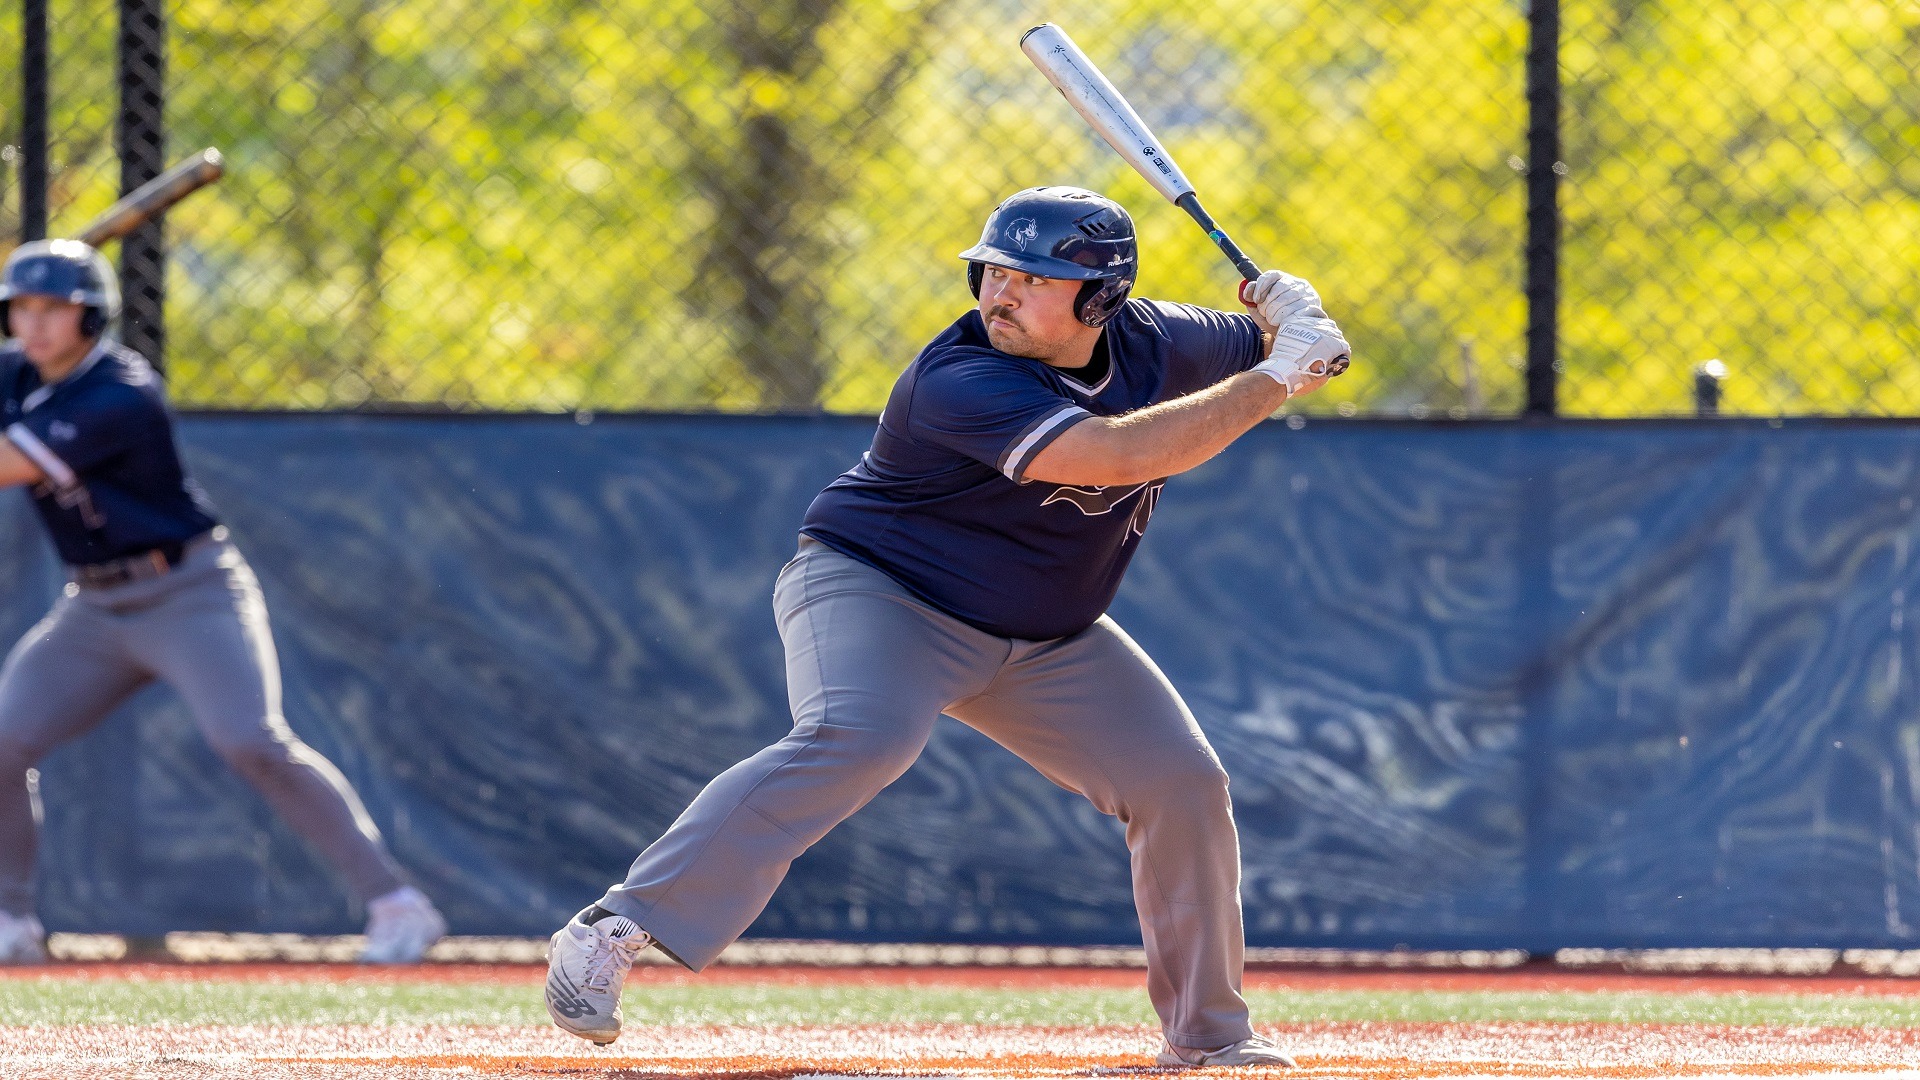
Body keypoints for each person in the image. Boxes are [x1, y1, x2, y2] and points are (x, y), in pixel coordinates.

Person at [543, 187, 1349, 1065]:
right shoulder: (960, 376)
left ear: (1101, 299)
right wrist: (1281, 374)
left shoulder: (1163, 340)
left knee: (1182, 782)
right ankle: (616, 926)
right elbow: (1119, 457)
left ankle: (1210, 1039)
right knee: (861, 735)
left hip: (1048, 636)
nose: (998, 294)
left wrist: (1292, 313)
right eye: (992, 272)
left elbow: (1288, 340)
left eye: (1032, 279)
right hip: (882, 591)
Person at [0, 239, 446, 964]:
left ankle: (398, 904)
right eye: (23, 306)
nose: (38, 323)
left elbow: (10, 464)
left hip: (188, 592)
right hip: (94, 606)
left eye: (57, 307)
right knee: (3, 739)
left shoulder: (122, 391)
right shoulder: (15, 376)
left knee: (250, 740)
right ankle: (10, 921)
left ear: (92, 317)